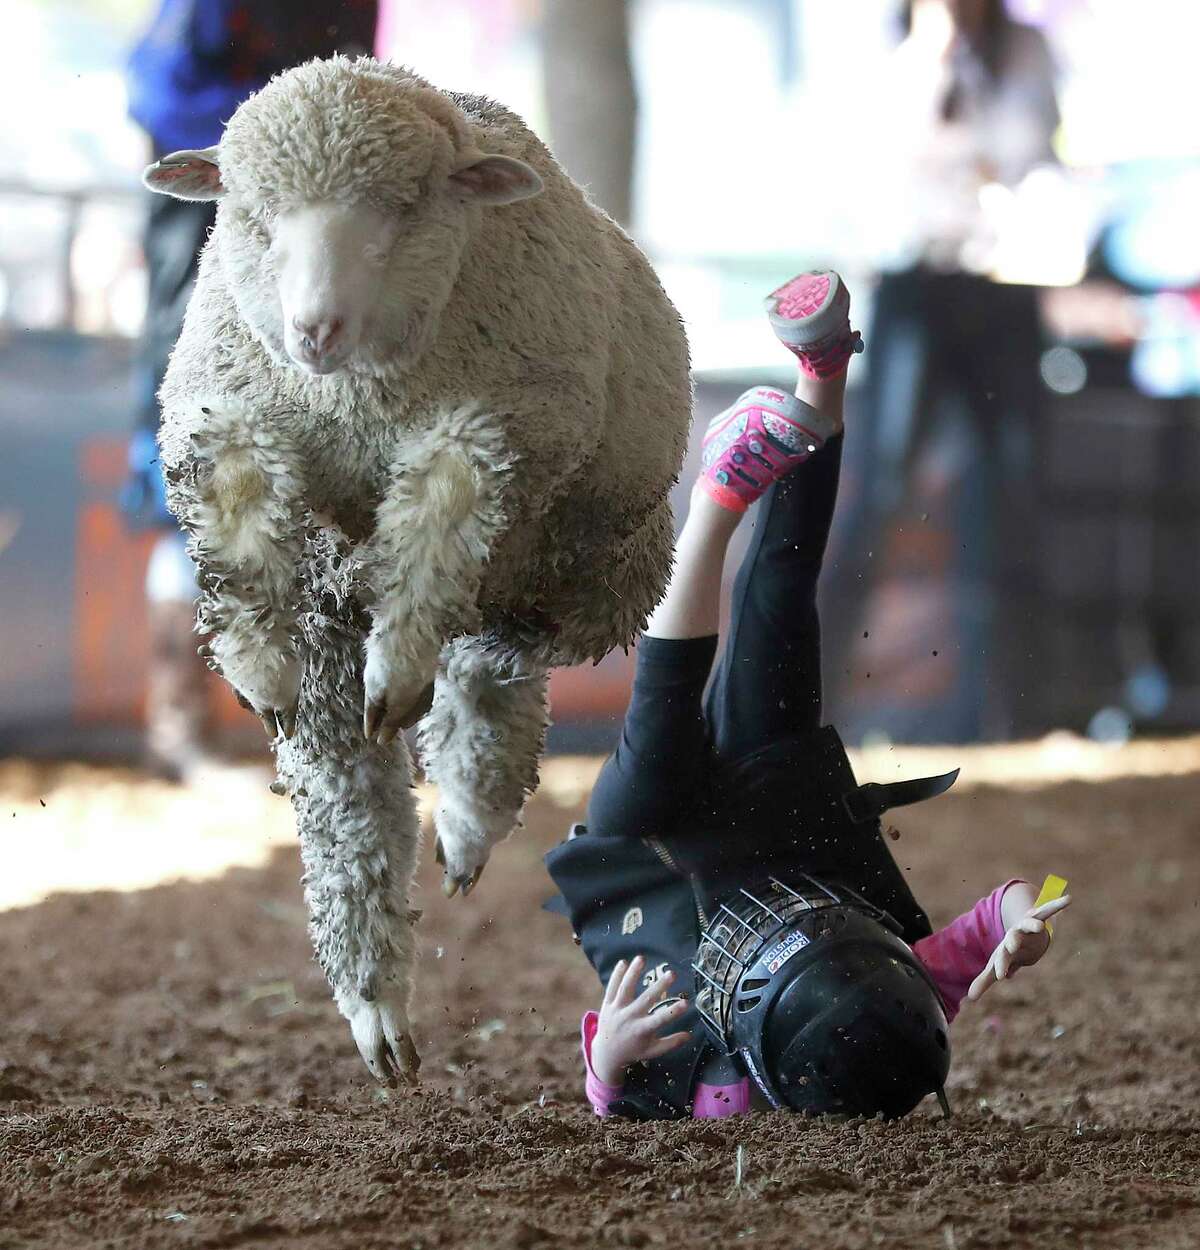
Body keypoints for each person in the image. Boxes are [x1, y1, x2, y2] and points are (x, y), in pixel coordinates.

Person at [545, 272, 1071, 1120]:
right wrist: (1025, 921)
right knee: (780, 607)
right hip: (788, 827)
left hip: (657, 857)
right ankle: (822, 370)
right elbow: (1005, 907)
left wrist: (608, 1056)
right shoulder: (901, 1003)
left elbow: (614, 1100)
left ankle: (718, 499)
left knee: (658, 728)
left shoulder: (721, 1087)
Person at [122, 0, 377, 777]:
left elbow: (360, 87)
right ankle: (182, 719)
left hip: (320, 246)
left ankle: (314, 724)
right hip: (210, 227)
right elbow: (155, 94)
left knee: (328, 455)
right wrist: (265, 139)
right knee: (196, 437)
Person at [826, 0, 1062, 740]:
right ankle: (809, 707)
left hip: (1002, 288)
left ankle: (1011, 717)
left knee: (1011, 497)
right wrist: (932, 57)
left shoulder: (1022, 50)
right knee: (878, 493)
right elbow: (875, 162)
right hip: (912, 286)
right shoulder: (888, 50)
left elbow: (1029, 159)